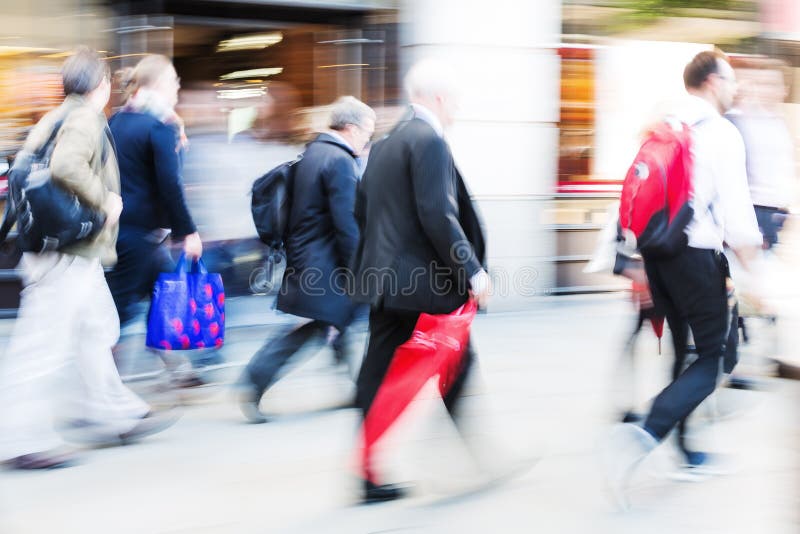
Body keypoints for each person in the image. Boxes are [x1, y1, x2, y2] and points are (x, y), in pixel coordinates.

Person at [603, 50, 765, 507]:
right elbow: (735, 213)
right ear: (713, 81)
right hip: (696, 257)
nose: (735, 89)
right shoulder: (720, 132)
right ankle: (646, 433)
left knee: (683, 349)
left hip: (659, 256)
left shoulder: (667, 122)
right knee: (715, 358)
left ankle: (684, 450)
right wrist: (755, 266)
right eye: (731, 80)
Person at [0, 47, 173, 470]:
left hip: (62, 249)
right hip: (68, 252)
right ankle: (20, 439)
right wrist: (106, 202)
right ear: (102, 85)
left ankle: (113, 411)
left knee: (98, 329)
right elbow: (67, 166)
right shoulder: (84, 118)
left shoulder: (55, 116)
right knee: (43, 345)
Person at [349, 59, 491, 503]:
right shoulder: (429, 139)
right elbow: (437, 213)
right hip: (421, 283)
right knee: (456, 363)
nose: (458, 109)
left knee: (376, 372)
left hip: (383, 280)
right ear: (438, 98)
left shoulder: (386, 141)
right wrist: (471, 269)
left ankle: (367, 474)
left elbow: (362, 209)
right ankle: (482, 459)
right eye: (456, 100)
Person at [237, 96, 375, 423]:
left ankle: (358, 387)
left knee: (339, 319)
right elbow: (346, 223)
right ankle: (256, 377)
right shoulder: (339, 160)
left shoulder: (314, 151)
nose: (368, 138)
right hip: (324, 262)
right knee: (319, 325)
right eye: (367, 131)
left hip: (310, 256)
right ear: (352, 128)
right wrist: (360, 268)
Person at [106, 55, 202, 387]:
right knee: (120, 312)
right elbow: (170, 183)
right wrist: (187, 230)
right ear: (158, 83)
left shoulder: (117, 121)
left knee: (165, 296)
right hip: (142, 233)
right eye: (174, 79)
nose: (177, 86)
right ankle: (105, 388)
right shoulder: (161, 125)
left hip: (124, 229)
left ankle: (178, 369)